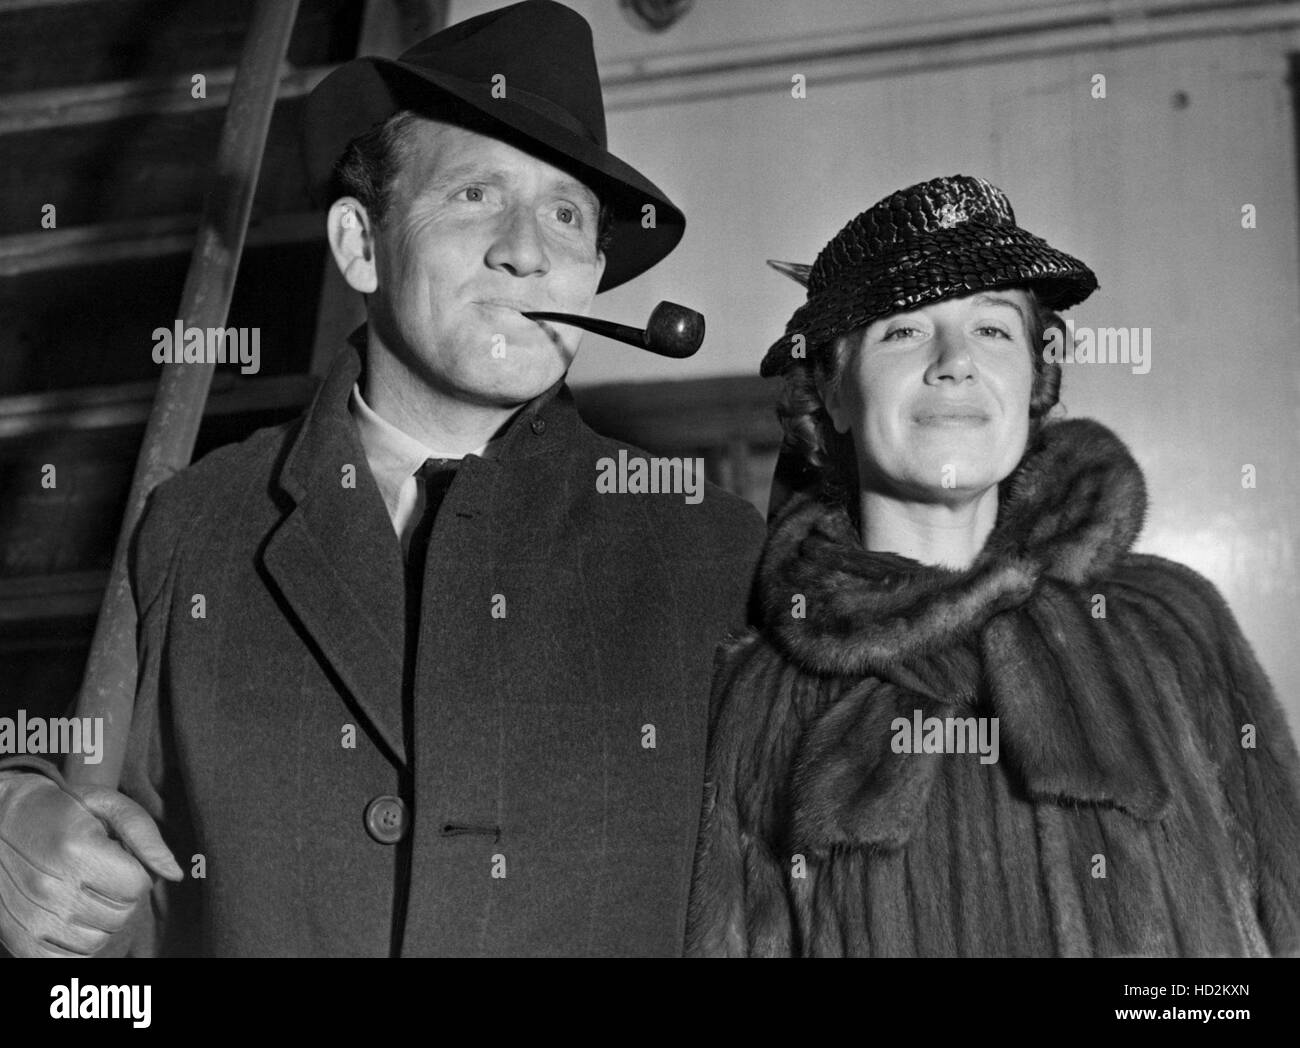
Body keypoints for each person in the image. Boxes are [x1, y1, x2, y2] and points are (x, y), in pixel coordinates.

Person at [0, 0, 763, 958]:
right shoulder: (197, 527)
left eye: (566, 215)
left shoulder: (713, 550)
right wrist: (16, 808)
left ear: (594, 272)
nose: (528, 248)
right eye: (477, 195)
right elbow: (124, 921)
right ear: (360, 244)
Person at [685, 174, 1300, 957]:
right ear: (834, 395)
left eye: (993, 331)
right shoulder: (763, 695)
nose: (954, 363)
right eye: (903, 331)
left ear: (1035, 380)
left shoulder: (1173, 625)